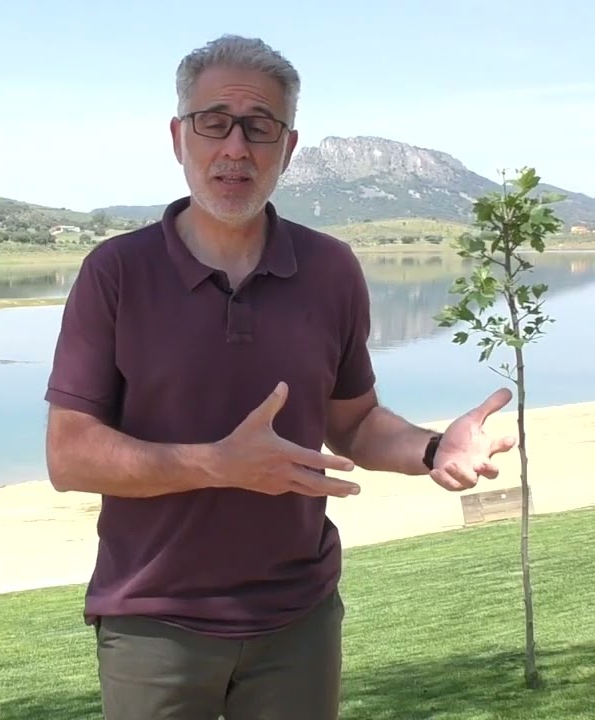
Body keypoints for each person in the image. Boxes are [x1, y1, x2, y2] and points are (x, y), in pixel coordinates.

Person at [43, 33, 516, 720]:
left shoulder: (331, 270)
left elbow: (352, 421)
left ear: (288, 148)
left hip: (299, 618)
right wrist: (218, 464)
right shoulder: (116, 273)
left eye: (260, 126)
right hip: (153, 619)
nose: (236, 147)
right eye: (215, 122)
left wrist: (433, 448)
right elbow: (70, 454)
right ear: (179, 137)